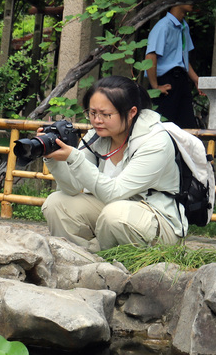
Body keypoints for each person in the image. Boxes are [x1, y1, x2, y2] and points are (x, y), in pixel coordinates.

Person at [42, 75, 185, 251]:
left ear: (132, 112)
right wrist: (52, 158)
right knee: (56, 203)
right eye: (92, 113)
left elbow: (115, 193)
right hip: (115, 210)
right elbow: (72, 187)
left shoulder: (155, 142)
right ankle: (77, 257)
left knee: (115, 214)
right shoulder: (96, 136)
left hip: (158, 220)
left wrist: (74, 157)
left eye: (106, 114)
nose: (97, 120)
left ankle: (107, 258)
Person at [145, 4, 205, 129]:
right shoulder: (163, 26)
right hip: (165, 81)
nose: (193, 1)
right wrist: (155, 86)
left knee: (187, 128)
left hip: (181, 80)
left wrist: (196, 79)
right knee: (163, 127)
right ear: (177, 0)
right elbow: (150, 56)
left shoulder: (184, 26)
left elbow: (182, 58)